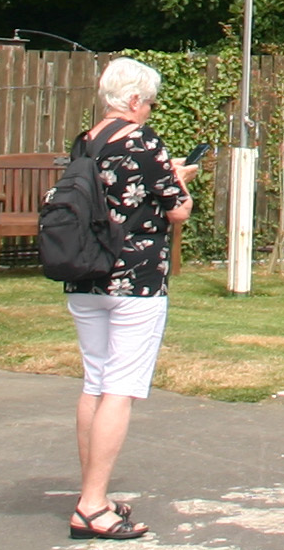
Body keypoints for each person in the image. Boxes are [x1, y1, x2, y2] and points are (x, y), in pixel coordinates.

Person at [64, 56, 195, 541]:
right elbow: (177, 210)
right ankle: (93, 506)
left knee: (94, 382)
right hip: (135, 279)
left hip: (85, 276)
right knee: (120, 388)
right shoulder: (143, 141)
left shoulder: (86, 141)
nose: (151, 111)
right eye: (151, 103)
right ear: (136, 100)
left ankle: (88, 494)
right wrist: (182, 178)